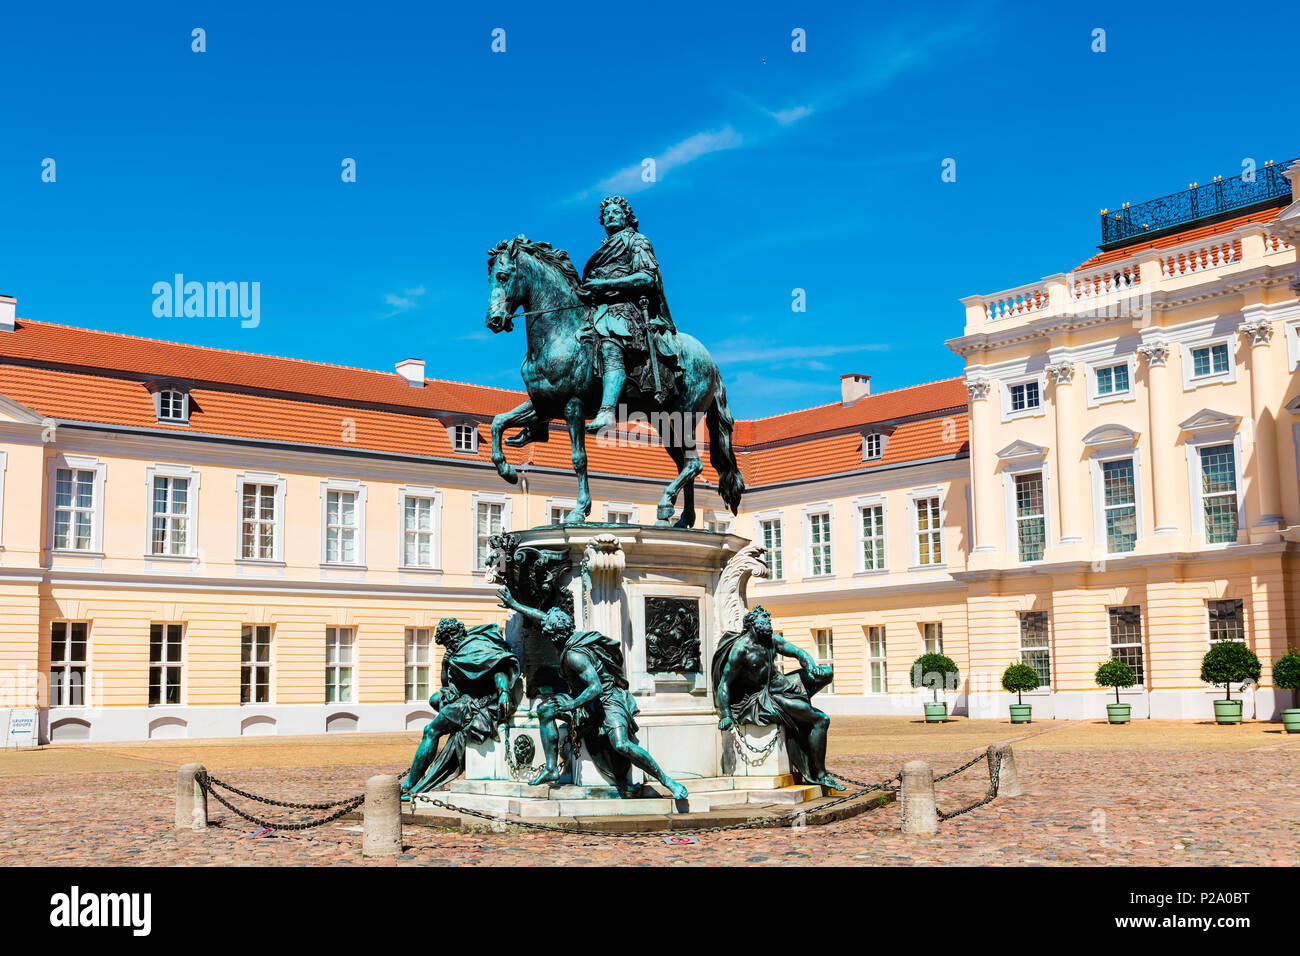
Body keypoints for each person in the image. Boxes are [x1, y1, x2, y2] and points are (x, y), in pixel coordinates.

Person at [496, 587, 689, 800]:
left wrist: (571, 705)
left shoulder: (573, 656)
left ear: (555, 636)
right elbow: (543, 619)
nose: (547, 637)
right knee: (545, 711)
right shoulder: (567, 635)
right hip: (586, 698)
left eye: (548, 635)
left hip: (608, 698)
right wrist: (515, 605)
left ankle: (667, 781)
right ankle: (551, 768)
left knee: (621, 743)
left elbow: (595, 687)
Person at [711, 605, 845, 790]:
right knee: (821, 720)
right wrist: (725, 715)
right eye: (764, 620)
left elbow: (798, 652)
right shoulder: (741, 649)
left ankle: (799, 708)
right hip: (765, 697)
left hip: (782, 684)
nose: (768, 623)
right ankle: (820, 774)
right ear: (752, 623)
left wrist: (810, 665)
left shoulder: (770, 639)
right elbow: (724, 683)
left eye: (768, 620)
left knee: (826, 672)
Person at [579, 195, 679, 431]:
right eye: (607, 214)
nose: (610, 216)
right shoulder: (603, 248)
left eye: (616, 212)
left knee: (610, 342)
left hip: (627, 309)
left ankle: (607, 412)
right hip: (599, 308)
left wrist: (605, 286)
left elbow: (647, 277)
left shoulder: (637, 241)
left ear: (627, 217)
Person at [401, 617, 521, 799]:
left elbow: (499, 668)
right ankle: (413, 781)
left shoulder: (474, 647)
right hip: (465, 699)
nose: (447, 645)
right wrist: (445, 664)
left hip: (476, 703)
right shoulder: (456, 651)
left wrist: (503, 691)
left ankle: (411, 783)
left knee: (430, 730)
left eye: (448, 640)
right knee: (435, 701)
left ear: (454, 635)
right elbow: (448, 686)